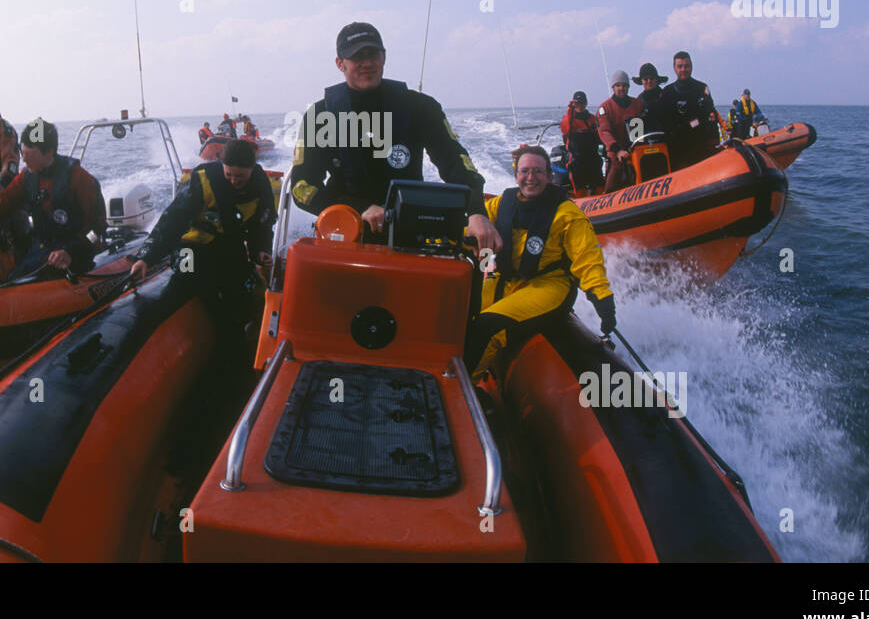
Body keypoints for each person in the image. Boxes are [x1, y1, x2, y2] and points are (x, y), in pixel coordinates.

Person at [291, 21, 502, 251]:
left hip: (410, 233)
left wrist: (476, 212)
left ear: (384, 57)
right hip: (345, 233)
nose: (368, 63)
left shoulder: (419, 107)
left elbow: (455, 162)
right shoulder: (321, 115)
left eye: (374, 54)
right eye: (357, 57)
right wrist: (360, 208)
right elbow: (302, 187)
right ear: (340, 63)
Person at [464, 147, 616, 378]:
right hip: (505, 279)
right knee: (462, 311)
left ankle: (466, 390)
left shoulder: (567, 214)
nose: (530, 178)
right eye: (524, 171)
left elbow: (588, 259)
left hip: (548, 284)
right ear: (516, 175)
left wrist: (603, 300)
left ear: (549, 176)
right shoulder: (502, 203)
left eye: (538, 171)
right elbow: (474, 230)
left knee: (488, 326)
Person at [130, 138, 277, 334]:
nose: (234, 181)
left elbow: (262, 225)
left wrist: (261, 250)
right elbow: (172, 220)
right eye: (229, 174)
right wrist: (146, 257)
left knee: (241, 292)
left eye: (240, 176)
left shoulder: (260, 185)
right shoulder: (203, 179)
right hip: (189, 247)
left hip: (228, 246)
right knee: (182, 280)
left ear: (252, 169)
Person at [0, 118, 105, 278]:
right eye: (22, 152)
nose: (24, 159)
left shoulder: (79, 179)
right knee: (14, 277)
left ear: (48, 152)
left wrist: (71, 251)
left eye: (28, 154)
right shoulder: (27, 176)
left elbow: (97, 231)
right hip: (44, 248)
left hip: (76, 251)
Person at [656, 50, 719, 170]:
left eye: (686, 66)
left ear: (691, 67)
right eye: (680, 66)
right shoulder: (667, 93)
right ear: (674, 68)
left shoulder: (702, 89)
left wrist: (714, 140)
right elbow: (662, 122)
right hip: (678, 149)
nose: (683, 69)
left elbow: (711, 116)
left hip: (700, 145)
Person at [597, 71, 644, 194]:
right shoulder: (605, 108)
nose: (621, 88)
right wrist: (618, 150)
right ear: (613, 87)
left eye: (624, 85)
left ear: (628, 87)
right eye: (618, 85)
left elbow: (641, 128)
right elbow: (604, 132)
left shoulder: (637, 105)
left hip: (635, 148)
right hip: (615, 151)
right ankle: (607, 196)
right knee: (615, 167)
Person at [559, 91, 602, 195]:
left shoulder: (592, 118)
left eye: (582, 103)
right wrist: (570, 110)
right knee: (575, 168)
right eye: (577, 103)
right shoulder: (569, 118)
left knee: (597, 170)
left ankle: (598, 192)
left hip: (592, 155)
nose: (580, 106)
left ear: (586, 103)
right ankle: (579, 194)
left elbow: (601, 132)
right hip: (576, 157)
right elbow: (565, 129)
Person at [631, 62, 668, 135]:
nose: (649, 81)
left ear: (657, 79)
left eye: (651, 78)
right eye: (645, 79)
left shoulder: (666, 96)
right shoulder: (638, 101)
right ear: (641, 81)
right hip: (646, 142)